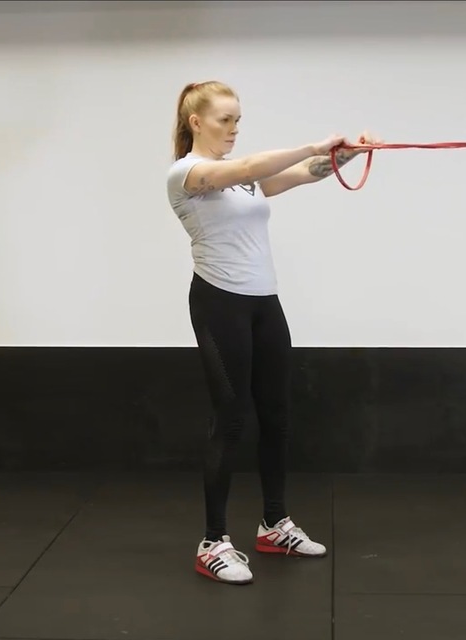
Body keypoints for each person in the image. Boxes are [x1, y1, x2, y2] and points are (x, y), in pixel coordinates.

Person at [166, 80, 379, 586]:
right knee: (230, 419)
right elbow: (246, 168)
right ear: (196, 122)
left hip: (264, 302)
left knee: (277, 415)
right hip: (220, 303)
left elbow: (300, 174)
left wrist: (344, 156)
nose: (234, 129)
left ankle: (274, 525)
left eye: (238, 120)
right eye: (225, 120)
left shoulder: (243, 181)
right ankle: (212, 543)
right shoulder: (187, 173)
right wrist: (313, 143)